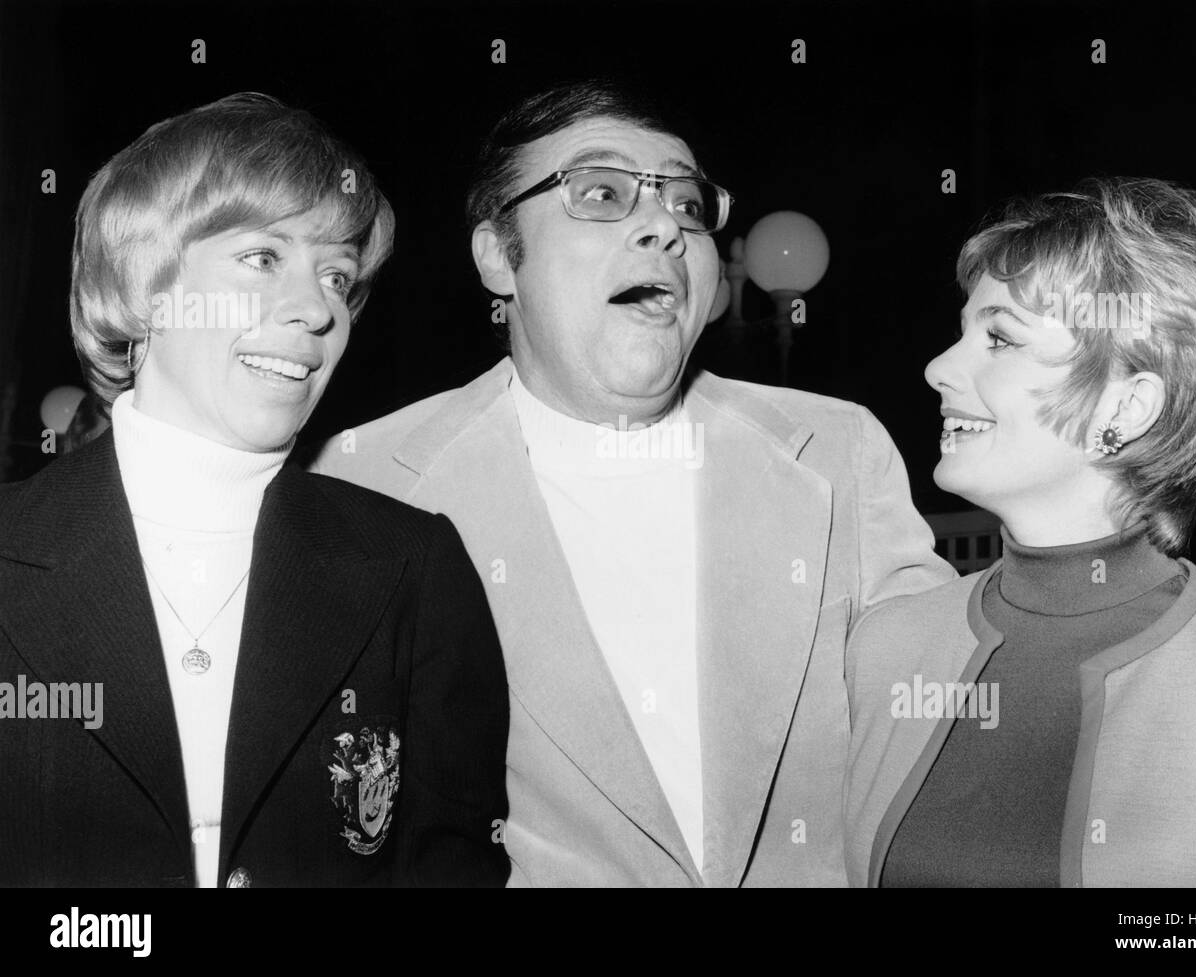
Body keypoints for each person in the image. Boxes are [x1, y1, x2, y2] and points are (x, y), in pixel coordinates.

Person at [310, 80, 954, 886]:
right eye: (602, 193)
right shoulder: (367, 479)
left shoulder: (836, 450)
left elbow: (942, 739)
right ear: (496, 257)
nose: (664, 226)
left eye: (687, 205)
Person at [0, 93, 509, 887]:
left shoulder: (413, 567)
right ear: (146, 277)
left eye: (338, 276)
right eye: (263, 258)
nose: (317, 309)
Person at [844, 177, 1196, 887]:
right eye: (963, 331)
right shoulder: (881, 648)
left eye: (998, 337)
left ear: (1127, 405)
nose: (938, 368)